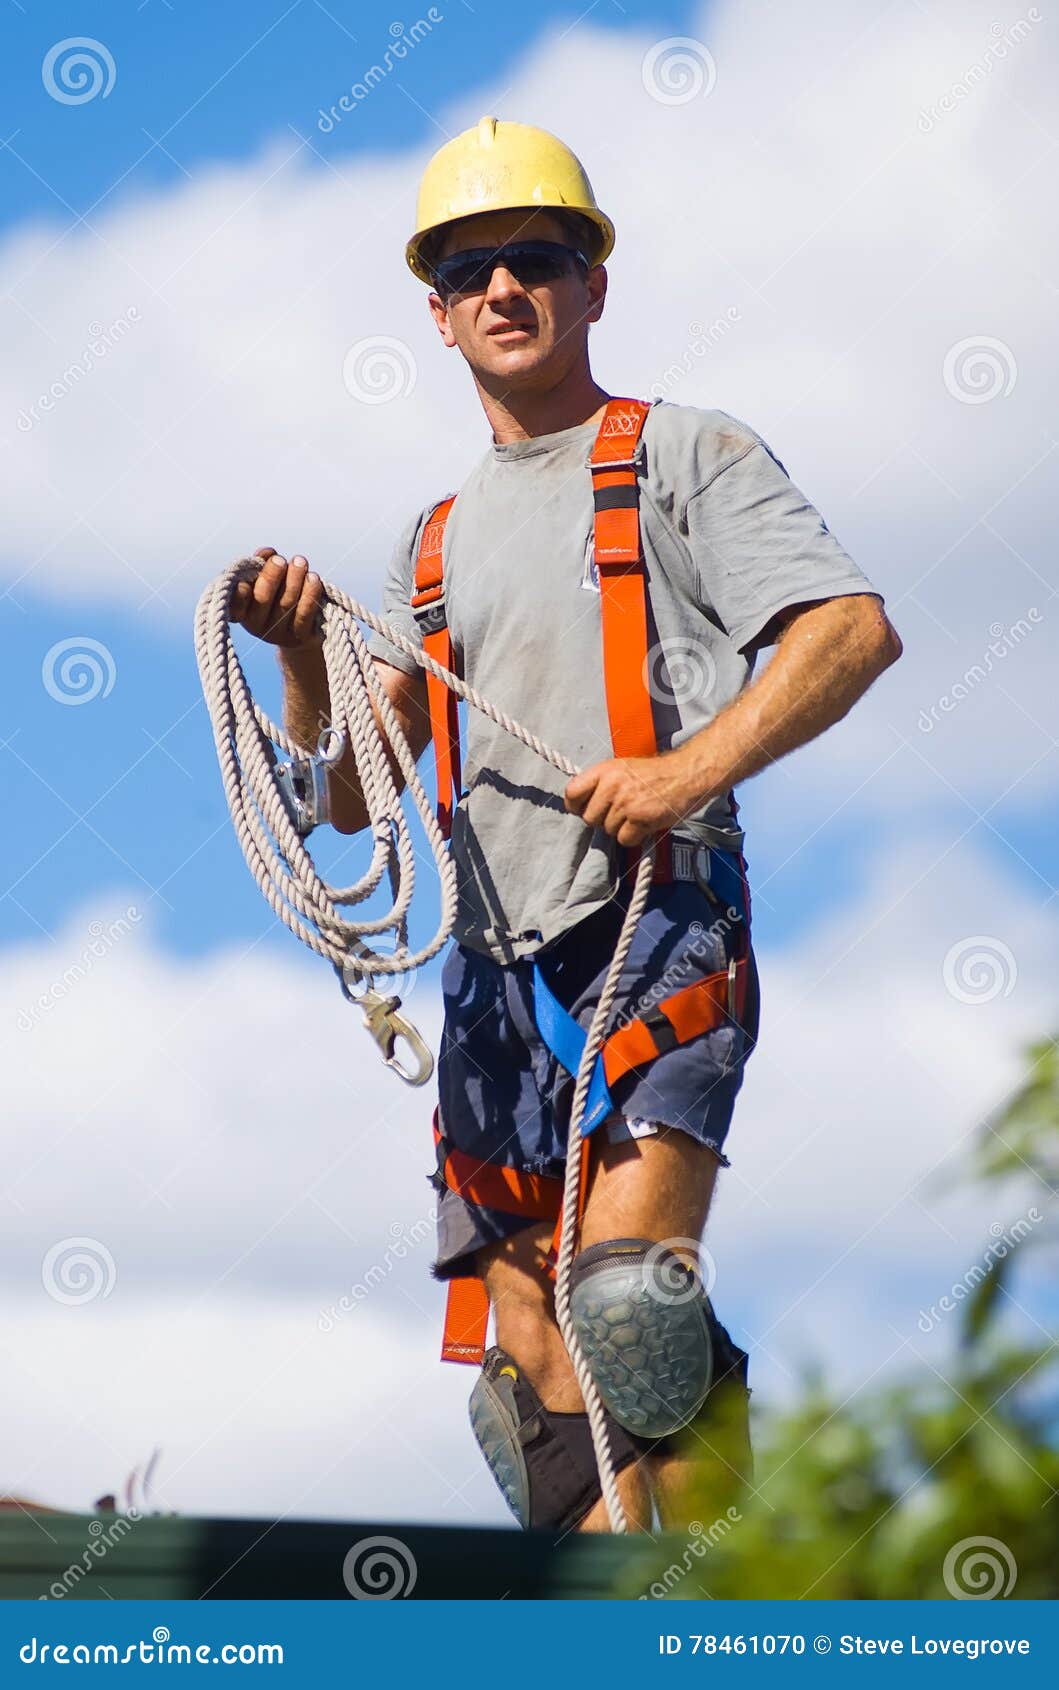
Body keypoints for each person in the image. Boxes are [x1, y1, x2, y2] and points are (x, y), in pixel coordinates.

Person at [231, 116, 902, 1535]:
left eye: (535, 259)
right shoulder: (431, 541)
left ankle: (730, 1595)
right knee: (524, 1374)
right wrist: (298, 654)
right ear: (437, 311)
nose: (503, 289)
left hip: (651, 923)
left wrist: (682, 770)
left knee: (625, 1303)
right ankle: (595, 1626)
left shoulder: (681, 456)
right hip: (488, 964)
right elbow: (353, 795)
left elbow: (849, 631)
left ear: (593, 283)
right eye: (471, 270)